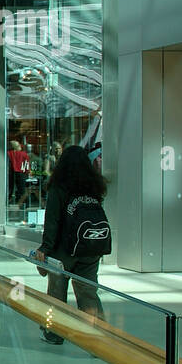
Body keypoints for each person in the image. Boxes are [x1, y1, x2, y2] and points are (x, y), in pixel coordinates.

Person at [35, 145, 110, 345]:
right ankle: (98, 339)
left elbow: (52, 222)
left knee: (57, 294)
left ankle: (54, 332)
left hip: (63, 251)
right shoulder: (93, 187)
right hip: (90, 248)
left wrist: (45, 248)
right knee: (88, 293)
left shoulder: (58, 187)